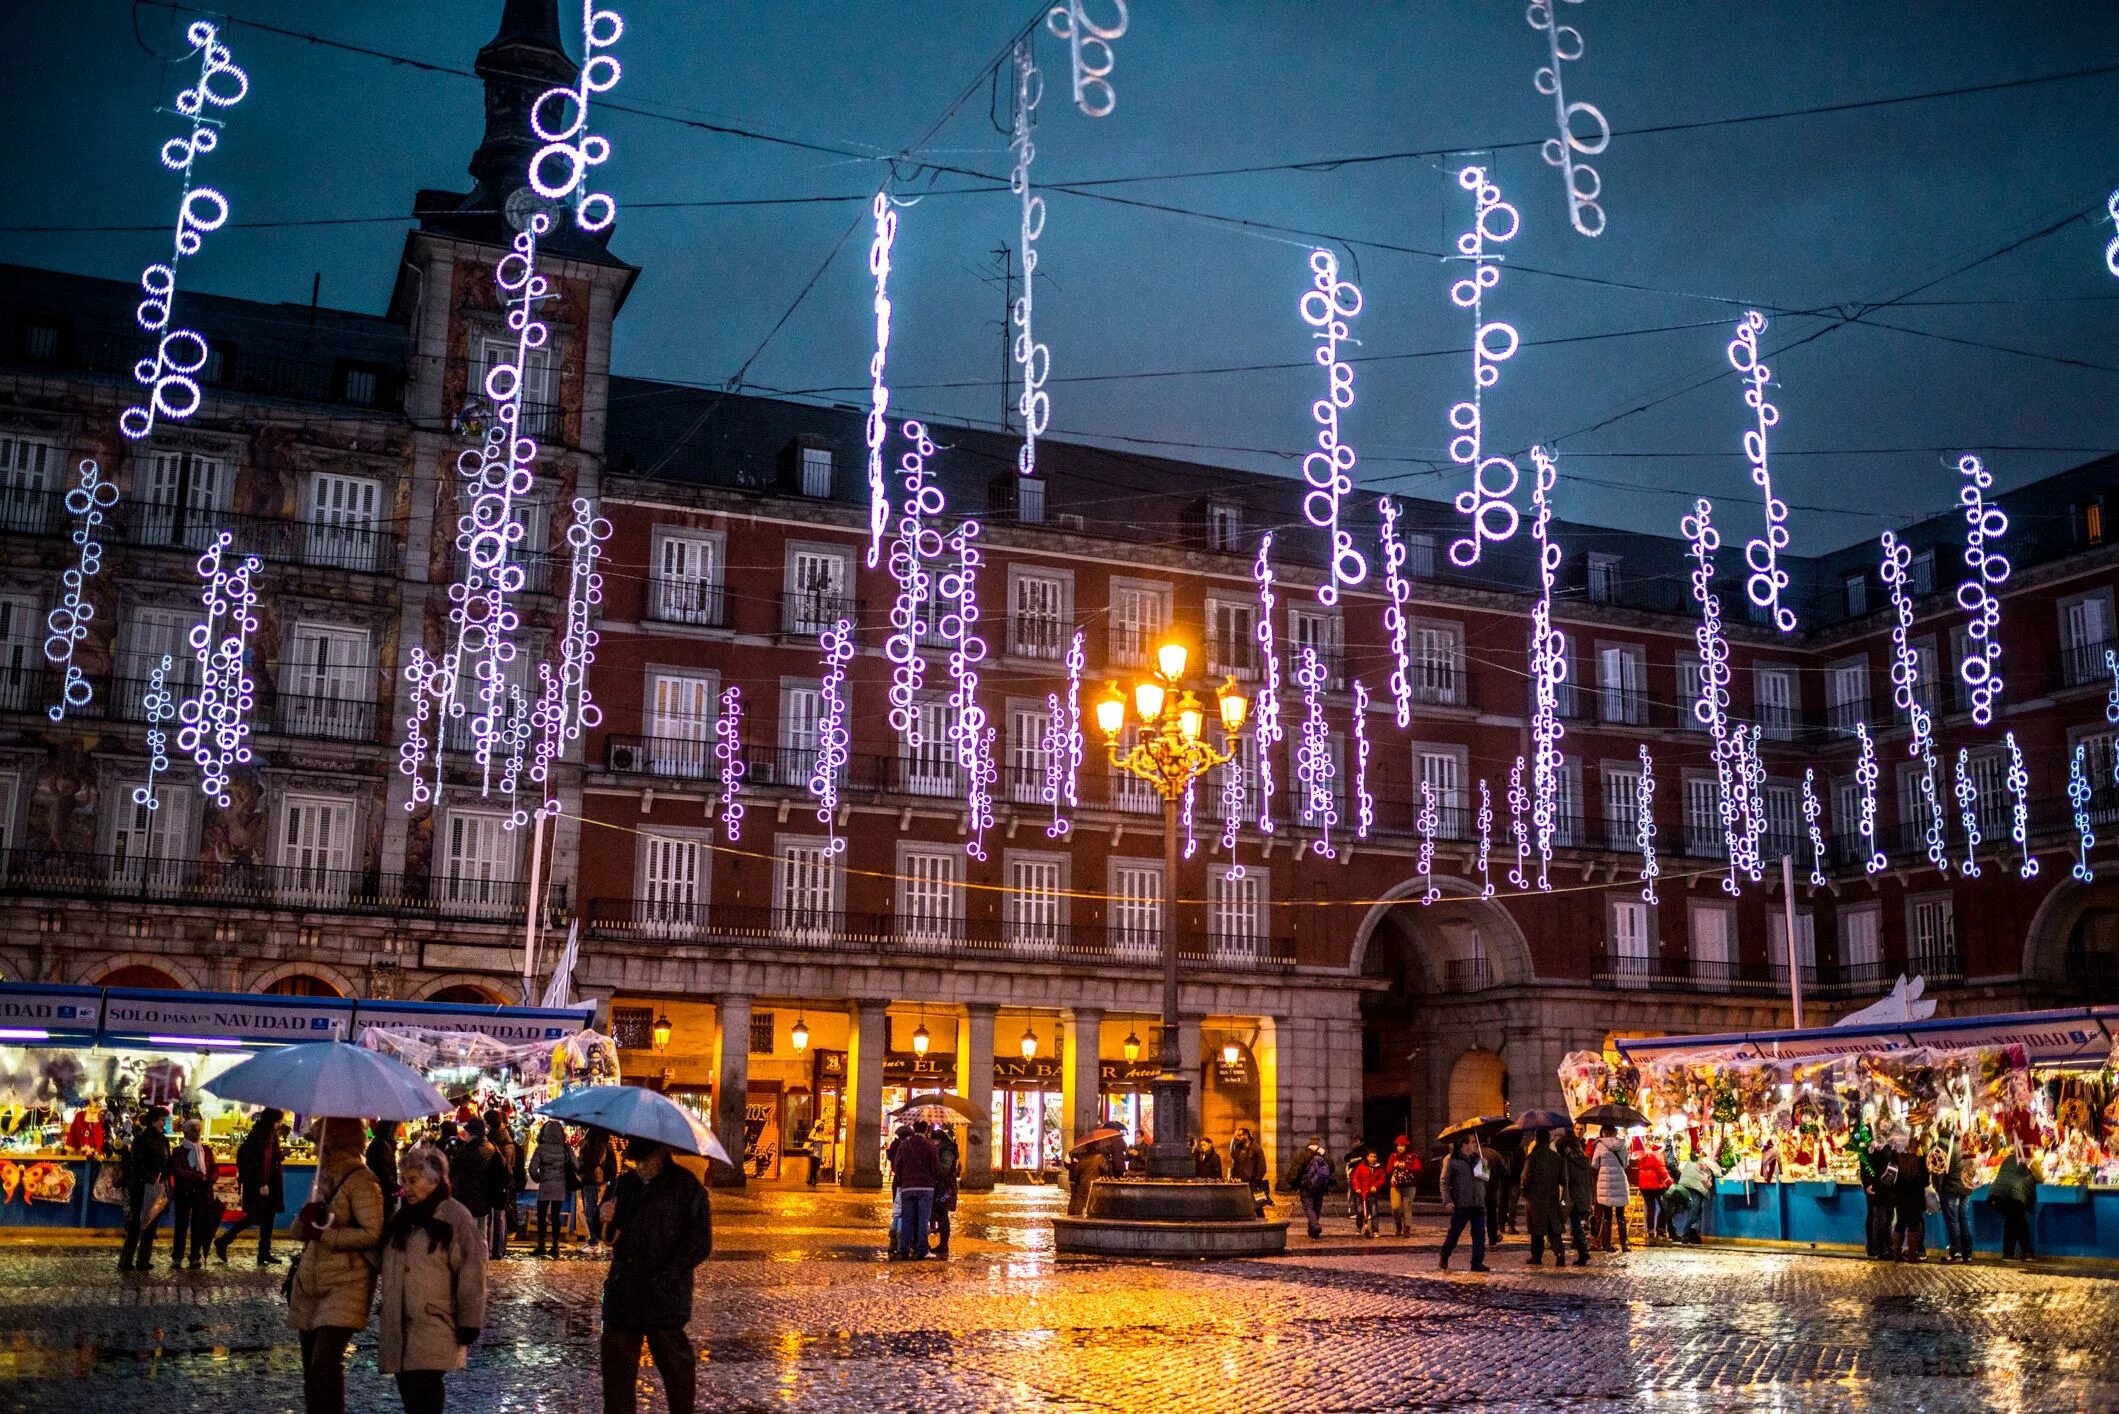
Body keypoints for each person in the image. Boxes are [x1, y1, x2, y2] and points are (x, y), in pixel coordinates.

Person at [598, 1137, 713, 1414]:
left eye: (646, 1161)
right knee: (617, 1373)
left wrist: (670, 1275)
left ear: (661, 1154)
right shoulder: (623, 1185)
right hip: (624, 1291)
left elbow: (700, 1242)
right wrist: (603, 1216)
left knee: (676, 1368)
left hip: (663, 1294)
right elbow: (606, 1232)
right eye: (636, 1162)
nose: (640, 1167)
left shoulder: (686, 1188)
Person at [377, 1144, 486, 1414]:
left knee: (424, 1393)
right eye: (403, 1180)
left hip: (435, 1323)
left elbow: (471, 1272)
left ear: (434, 1180)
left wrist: (469, 1321)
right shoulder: (400, 1219)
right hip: (400, 1325)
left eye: (413, 1180)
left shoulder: (454, 1216)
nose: (406, 1187)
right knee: (410, 1394)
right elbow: (379, 1259)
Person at [288, 1117, 386, 1414]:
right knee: (310, 1370)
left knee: (324, 1364)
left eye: (319, 1142)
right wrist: (306, 1218)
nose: (315, 1149)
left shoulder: (362, 1181)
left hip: (346, 1283)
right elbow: (297, 1232)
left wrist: (326, 1234)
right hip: (311, 1280)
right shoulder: (323, 1179)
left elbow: (373, 1232)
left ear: (334, 1143)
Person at [216, 1107, 287, 1266]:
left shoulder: (269, 1134)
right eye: (277, 1121)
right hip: (260, 1184)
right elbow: (255, 1162)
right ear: (272, 1121)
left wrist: (281, 1154)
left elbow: (271, 1157)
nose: (278, 1124)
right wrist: (262, 1183)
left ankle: (264, 1253)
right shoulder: (259, 1135)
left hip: (270, 1183)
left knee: (268, 1218)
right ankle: (224, 1240)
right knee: (256, 1216)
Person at [117, 1104, 171, 1273]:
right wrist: (149, 1176)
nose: (164, 1123)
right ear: (154, 1121)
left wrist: (165, 1175)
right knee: (136, 1223)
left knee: (152, 1222)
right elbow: (137, 1161)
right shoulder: (141, 1138)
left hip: (157, 1185)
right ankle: (126, 1260)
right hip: (142, 1186)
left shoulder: (164, 1139)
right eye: (162, 1120)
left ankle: (143, 1259)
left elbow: (166, 1160)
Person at [448, 1117, 510, 1261]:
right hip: (485, 1198)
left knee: (470, 1231)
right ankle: (482, 1256)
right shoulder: (492, 1147)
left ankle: (472, 1258)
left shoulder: (467, 1151)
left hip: (468, 1197)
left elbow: (454, 1170)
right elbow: (502, 1173)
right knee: (482, 1232)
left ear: (471, 1133)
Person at [168, 1115, 219, 1270]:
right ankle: (177, 1256)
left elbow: (214, 1169)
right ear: (186, 1133)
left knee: (198, 1225)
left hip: (202, 1192)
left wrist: (210, 1178)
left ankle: (195, 1256)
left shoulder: (206, 1150)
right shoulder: (178, 1151)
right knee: (181, 1225)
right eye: (193, 1131)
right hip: (184, 1192)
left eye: (198, 1130)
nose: (197, 1134)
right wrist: (199, 1177)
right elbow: (178, 1170)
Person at [891, 1119, 943, 1260]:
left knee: (907, 1218)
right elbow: (936, 1167)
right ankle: (922, 1250)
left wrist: (904, 1179)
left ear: (913, 1128)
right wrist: (933, 1179)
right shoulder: (930, 1146)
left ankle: (904, 1249)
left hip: (908, 1187)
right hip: (926, 1187)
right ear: (926, 1130)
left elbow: (897, 1165)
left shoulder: (904, 1145)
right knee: (923, 1219)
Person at [1437, 1134, 1489, 1272]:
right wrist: (1447, 1200)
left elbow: (1485, 1179)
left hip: (1478, 1203)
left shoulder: (1478, 1158)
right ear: (1464, 1144)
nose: (1475, 1145)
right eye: (1473, 1142)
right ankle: (1445, 1254)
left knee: (1479, 1235)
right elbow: (1444, 1182)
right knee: (1454, 1233)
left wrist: (1484, 1167)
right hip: (1461, 1203)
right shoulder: (1451, 1160)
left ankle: (1477, 1262)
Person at [1520, 1130, 1569, 1266]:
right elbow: (1563, 1179)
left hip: (1535, 1198)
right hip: (1552, 1197)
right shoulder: (1557, 1157)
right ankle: (1560, 1253)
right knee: (1554, 1228)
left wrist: (1524, 1191)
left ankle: (1536, 1256)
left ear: (1537, 1139)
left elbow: (1526, 1177)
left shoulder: (1533, 1157)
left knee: (1537, 1230)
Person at [527, 1119, 572, 1259]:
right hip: (560, 1185)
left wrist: (539, 1178)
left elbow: (532, 1169)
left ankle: (541, 1245)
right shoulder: (565, 1148)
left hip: (546, 1185)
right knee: (555, 1215)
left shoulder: (541, 1148)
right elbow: (576, 1166)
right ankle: (556, 1246)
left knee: (541, 1216)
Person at [1930, 1132, 1973, 1264]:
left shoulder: (1941, 1145)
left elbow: (1938, 1170)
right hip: (1965, 1187)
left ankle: (1956, 1251)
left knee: (1952, 1221)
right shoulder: (1963, 1143)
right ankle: (1967, 1253)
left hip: (1950, 1188)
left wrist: (1938, 1188)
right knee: (1963, 1219)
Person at [1991, 1145, 2038, 1261]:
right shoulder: (2029, 1160)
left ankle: (2012, 1253)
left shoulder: (2007, 1159)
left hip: (1999, 1193)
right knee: (2017, 1222)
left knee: (2013, 1222)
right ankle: (2023, 1253)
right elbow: (2040, 1177)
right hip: (2016, 1194)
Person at [1891, 1129, 1930, 1262]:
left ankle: (1896, 1253)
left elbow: (1892, 1177)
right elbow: (1926, 1180)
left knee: (1900, 1223)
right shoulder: (1920, 1158)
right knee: (1914, 1224)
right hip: (1915, 1197)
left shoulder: (1897, 1156)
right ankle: (1912, 1255)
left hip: (1900, 1196)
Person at [577, 1126, 617, 1254]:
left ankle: (594, 1242)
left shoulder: (589, 1148)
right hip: (601, 1183)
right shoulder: (607, 1147)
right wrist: (605, 1180)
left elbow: (582, 1166)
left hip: (589, 1182)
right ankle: (594, 1241)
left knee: (590, 1211)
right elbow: (613, 1169)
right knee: (594, 1210)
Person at [1591, 1128, 1632, 1253]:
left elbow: (1594, 1165)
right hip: (1619, 1180)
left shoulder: (1599, 1145)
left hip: (1605, 1182)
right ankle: (1624, 1244)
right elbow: (1625, 1163)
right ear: (1615, 1133)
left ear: (1604, 1132)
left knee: (1607, 1215)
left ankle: (1606, 1243)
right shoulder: (1623, 1144)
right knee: (1621, 1215)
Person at [1860, 1128, 1897, 1259]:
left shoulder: (1886, 1149)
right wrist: (1868, 1184)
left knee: (1881, 1220)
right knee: (1880, 1220)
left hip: (1882, 1190)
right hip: (1879, 1191)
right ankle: (1880, 1248)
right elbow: (1867, 1168)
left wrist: (1868, 1184)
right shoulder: (1881, 1150)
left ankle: (1881, 1248)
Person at [1289, 1136, 1334, 1240]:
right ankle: (1313, 1231)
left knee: (1308, 1207)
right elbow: (1332, 1168)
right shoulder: (1324, 1153)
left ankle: (1315, 1226)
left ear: (1309, 1142)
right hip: (1321, 1186)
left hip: (1306, 1185)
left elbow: (1295, 1169)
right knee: (1317, 1207)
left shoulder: (1302, 1154)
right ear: (1318, 1143)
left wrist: (1293, 1184)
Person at [1563, 1131, 1596, 1265]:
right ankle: (1584, 1251)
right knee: (1580, 1224)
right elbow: (1590, 1180)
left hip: (1573, 1198)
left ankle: (1583, 1252)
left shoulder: (1568, 1161)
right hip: (1586, 1196)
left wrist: (1564, 1200)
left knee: (1576, 1226)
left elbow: (1566, 1180)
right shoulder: (1586, 1160)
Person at [932, 1124, 961, 1257]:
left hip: (945, 1186)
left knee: (942, 1214)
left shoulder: (947, 1150)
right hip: (943, 1185)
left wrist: (934, 1171)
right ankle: (942, 1243)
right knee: (939, 1213)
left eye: (934, 1140)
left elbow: (944, 1169)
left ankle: (944, 1244)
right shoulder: (944, 1148)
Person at [1384, 1136, 1422, 1237]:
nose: (1400, 1148)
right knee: (1395, 1207)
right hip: (1395, 1184)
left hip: (1409, 1185)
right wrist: (1394, 1165)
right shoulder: (1393, 1156)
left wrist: (1406, 1166)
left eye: (1402, 1146)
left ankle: (1407, 1229)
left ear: (1406, 1146)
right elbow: (1387, 1171)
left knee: (1407, 1207)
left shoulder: (1413, 1156)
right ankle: (1398, 1225)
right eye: (1398, 1146)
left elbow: (1418, 1168)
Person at [1636, 1141, 1672, 1243]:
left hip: (1644, 1186)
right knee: (1664, 1207)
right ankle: (1661, 1232)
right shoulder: (1657, 1156)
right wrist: (1670, 1183)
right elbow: (1662, 1171)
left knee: (1650, 1209)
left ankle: (1651, 1234)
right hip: (1657, 1186)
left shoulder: (1642, 1157)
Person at [368, 1120, 403, 1224]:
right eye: (395, 1128)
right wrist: (396, 1187)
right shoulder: (382, 1145)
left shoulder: (380, 1143)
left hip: (382, 1192)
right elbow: (384, 1171)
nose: (396, 1131)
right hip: (383, 1193)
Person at [1228, 1127, 1268, 1213]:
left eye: (1239, 1135)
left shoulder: (1256, 1149)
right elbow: (1235, 1164)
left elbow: (1262, 1167)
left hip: (1253, 1183)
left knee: (1258, 1207)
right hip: (1241, 1182)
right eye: (1236, 1136)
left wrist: (1257, 1180)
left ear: (1246, 1135)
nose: (1237, 1138)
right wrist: (1233, 1177)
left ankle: (1262, 1224)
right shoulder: (1238, 1149)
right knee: (1242, 1206)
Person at [1348, 1148, 1385, 1238]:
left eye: (1374, 1157)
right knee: (1360, 1211)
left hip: (1372, 1193)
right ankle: (1359, 1226)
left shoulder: (1379, 1168)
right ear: (1367, 1157)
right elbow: (1355, 1178)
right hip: (1360, 1193)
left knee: (1374, 1211)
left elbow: (1382, 1179)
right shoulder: (1361, 1167)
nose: (1373, 1159)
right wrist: (1357, 1187)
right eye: (1371, 1156)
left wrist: (1375, 1186)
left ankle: (1375, 1230)